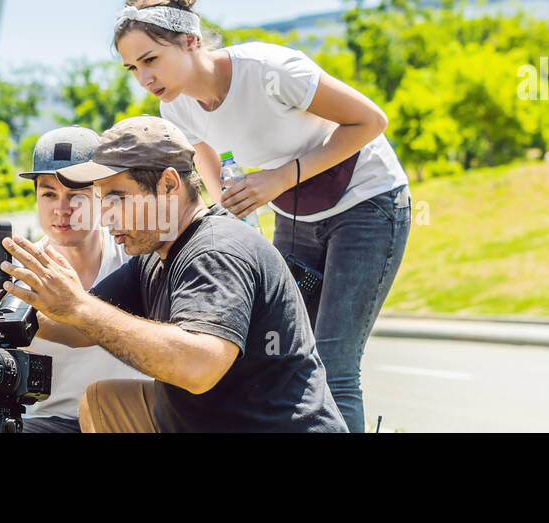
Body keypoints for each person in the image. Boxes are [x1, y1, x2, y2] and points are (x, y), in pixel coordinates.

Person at [112, 0, 412, 432]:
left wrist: (279, 179)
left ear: (190, 40)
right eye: (132, 69)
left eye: (150, 60)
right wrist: (230, 229)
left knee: (334, 360)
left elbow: (370, 121)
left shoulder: (271, 69)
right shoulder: (176, 109)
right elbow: (216, 185)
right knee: (283, 353)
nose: (144, 78)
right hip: (296, 214)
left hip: (368, 202)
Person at [0, 115, 345, 433]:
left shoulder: (215, 251)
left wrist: (81, 308)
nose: (106, 215)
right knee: (105, 400)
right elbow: (75, 327)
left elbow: (199, 366)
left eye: (117, 197)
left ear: (168, 185)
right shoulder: (156, 255)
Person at [0, 126, 146, 433]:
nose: (62, 209)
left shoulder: (136, 259)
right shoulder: (4, 275)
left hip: (122, 419)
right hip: (41, 422)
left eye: (76, 195)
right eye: (49, 194)